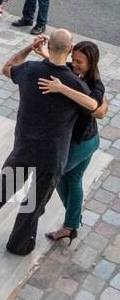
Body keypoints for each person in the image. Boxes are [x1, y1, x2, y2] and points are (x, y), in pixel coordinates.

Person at [0, 30, 90, 255]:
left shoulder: (31, 70)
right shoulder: (75, 85)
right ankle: (19, 244)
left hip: (24, 146)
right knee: (34, 203)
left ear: (48, 46)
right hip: (52, 155)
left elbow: (7, 67)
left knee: (3, 187)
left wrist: (28, 48)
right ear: (70, 50)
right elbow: (93, 108)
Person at [45, 40, 107, 245]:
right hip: (86, 140)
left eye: (80, 62)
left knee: (58, 175)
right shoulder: (73, 70)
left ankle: (71, 223)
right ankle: (71, 225)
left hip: (83, 142)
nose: (75, 64)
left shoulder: (95, 85)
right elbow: (59, 66)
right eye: (74, 59)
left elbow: (95, 107)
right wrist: (43, 53)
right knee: (72, 181)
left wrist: (62, 89)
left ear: (92, 62)